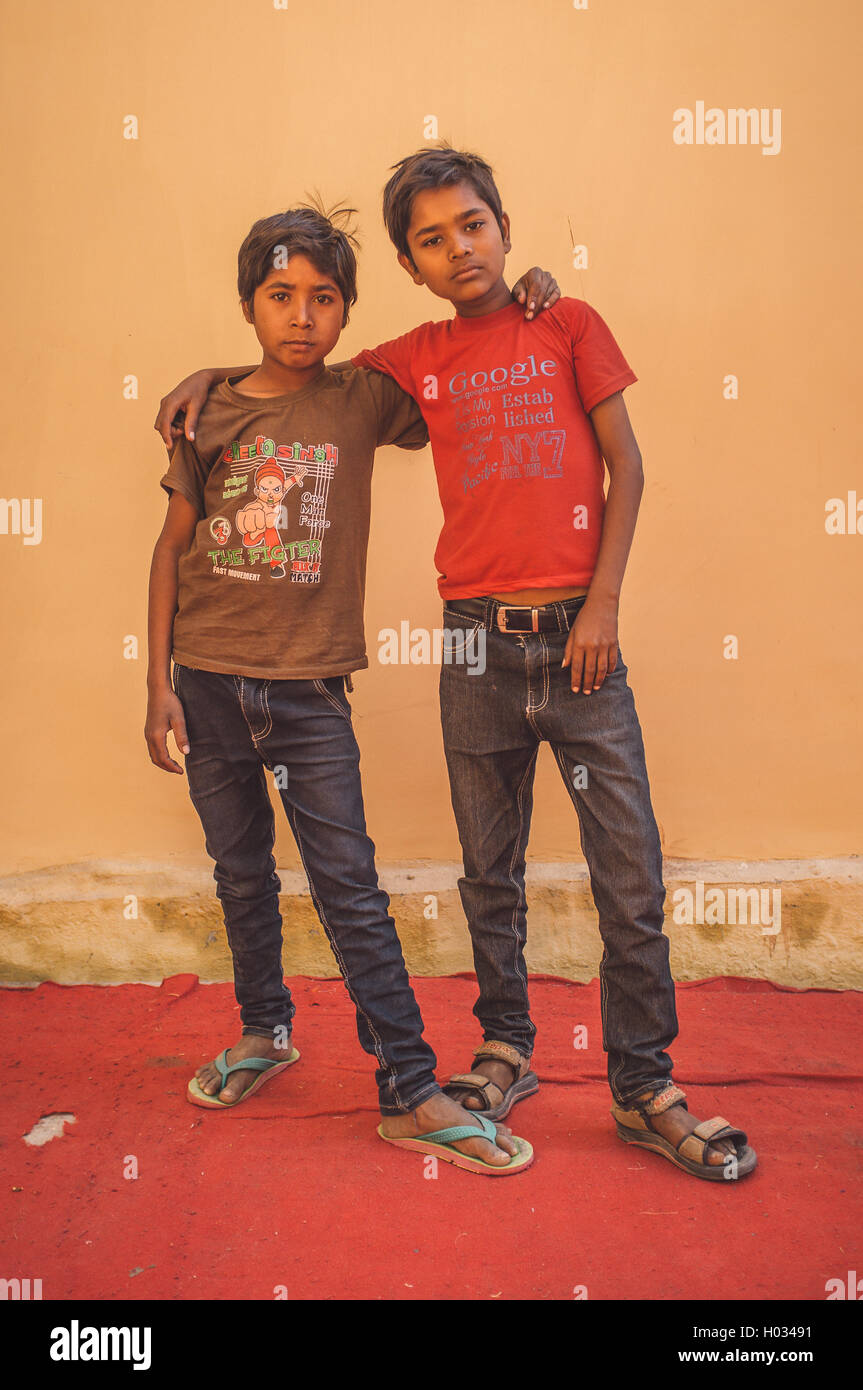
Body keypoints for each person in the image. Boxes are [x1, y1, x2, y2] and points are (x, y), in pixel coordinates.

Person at [154, 151, 755, 1182]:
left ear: (503, 225)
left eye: (471, 225)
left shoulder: (560, 325)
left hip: (576, 636)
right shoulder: (412, 358)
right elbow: (290, 372)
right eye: (431, 238)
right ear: (410, 262)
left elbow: (626, 463)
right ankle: (503, 1048)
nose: (458, 247)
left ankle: (643, 1084)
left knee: (628, 869)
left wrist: (602, 603)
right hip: (469, 640)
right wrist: (205, 377)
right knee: (487, 868)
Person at [145, 200, 557, 1177]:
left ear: (345, 312)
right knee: (239, 870)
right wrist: (156, 683)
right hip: (203, 682)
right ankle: (264, 1029)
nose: (300, 316)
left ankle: (409, 1088)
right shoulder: (206, 414)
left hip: (307, 693)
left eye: (322, 299)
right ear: (248, 304)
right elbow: (168, 551)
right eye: (280, 295)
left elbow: (464, 368)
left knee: (349, 889)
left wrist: (525, 301)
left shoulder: (365, 396)